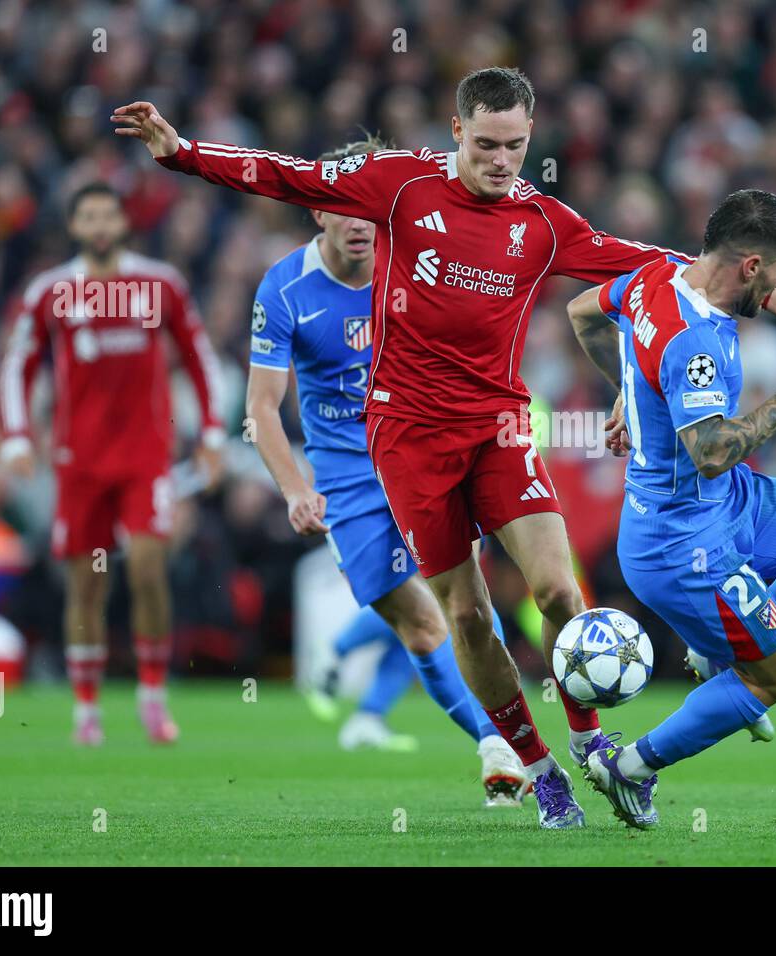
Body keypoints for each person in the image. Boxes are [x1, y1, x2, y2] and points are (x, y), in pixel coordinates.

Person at [111, 67, 776, 828]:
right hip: (408, 439)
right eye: (486, 143)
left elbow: (643, 263)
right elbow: (288, 175)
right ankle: (541, 772)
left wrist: (751, 285)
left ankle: (590, 743)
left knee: (557, 592)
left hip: (500, 425)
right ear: (456, 133)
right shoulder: (400, 187)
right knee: (469, 617)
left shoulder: (543, 221)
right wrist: (182, 152)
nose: (501, 160)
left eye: (515, 145)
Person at [566, 189, 776, 827]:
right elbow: (711, 450)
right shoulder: (697, 343)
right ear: (748, 265)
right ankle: (628, 769)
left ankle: (730, 652)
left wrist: (630, 391)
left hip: (731, 501)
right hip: (680, 543)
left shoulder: (656, 274)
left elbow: (582, 313)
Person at [245, 140, 527, 802]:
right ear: (319, 211)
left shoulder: (424, 269)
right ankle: (494, 741)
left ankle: (504, 745)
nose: (357, 220)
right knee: (423, 623)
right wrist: (295, 488)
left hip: (428, 454)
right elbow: (260, 408)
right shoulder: (284, 288)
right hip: (347, 482)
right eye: (342, 204)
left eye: (368, 205)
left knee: (466, 611)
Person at [0, 182, 225, 746]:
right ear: (75, 227)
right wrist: (17, 435)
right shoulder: (50, 290)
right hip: (78, 462)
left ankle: (152, 697)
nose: (100, 225)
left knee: (149, 568)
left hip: (146, 458)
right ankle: (86, 709)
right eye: (88, 217)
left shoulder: (160, 285)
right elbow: (18, 364)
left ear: (123, 224)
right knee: (87, 584)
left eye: (109, 215)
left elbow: (200, 356)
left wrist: (214, 432)